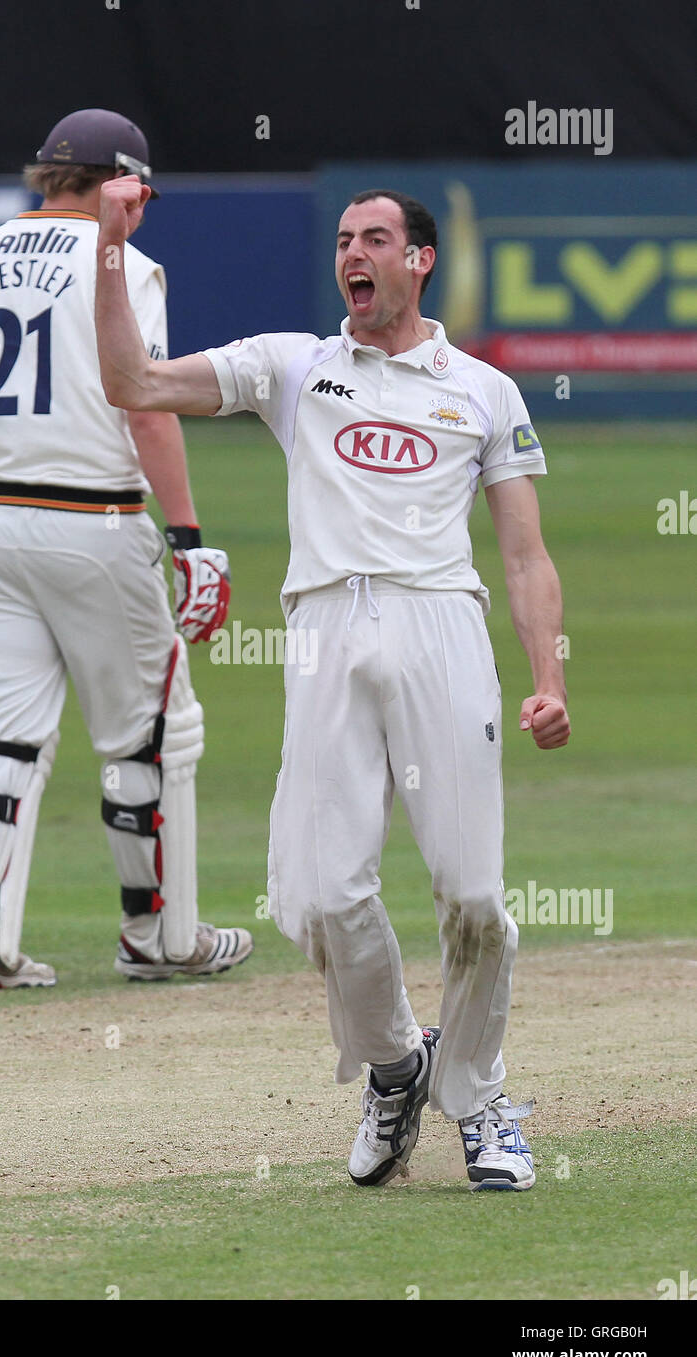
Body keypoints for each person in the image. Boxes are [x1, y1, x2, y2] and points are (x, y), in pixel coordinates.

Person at [95, 177, 572, 1192]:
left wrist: (546, 678)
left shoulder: (482, 390)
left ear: (417, 261)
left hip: (441, 621)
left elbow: (524, 557)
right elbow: (132, 381)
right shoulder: (291, 368)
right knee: (317, 894)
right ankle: (398, 1064)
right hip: (320, 623)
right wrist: (104, 250)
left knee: (476, 894)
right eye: (344, 239)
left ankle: (478, 1098)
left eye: (374, 239)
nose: (352, 254)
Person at [0, 108, 253, 989]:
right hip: (98, 526)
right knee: (153, 737)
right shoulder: (121, 263)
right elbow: (146, 400)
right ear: (120, 182)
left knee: (0, 738)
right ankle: (159, 937)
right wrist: (191, 538)